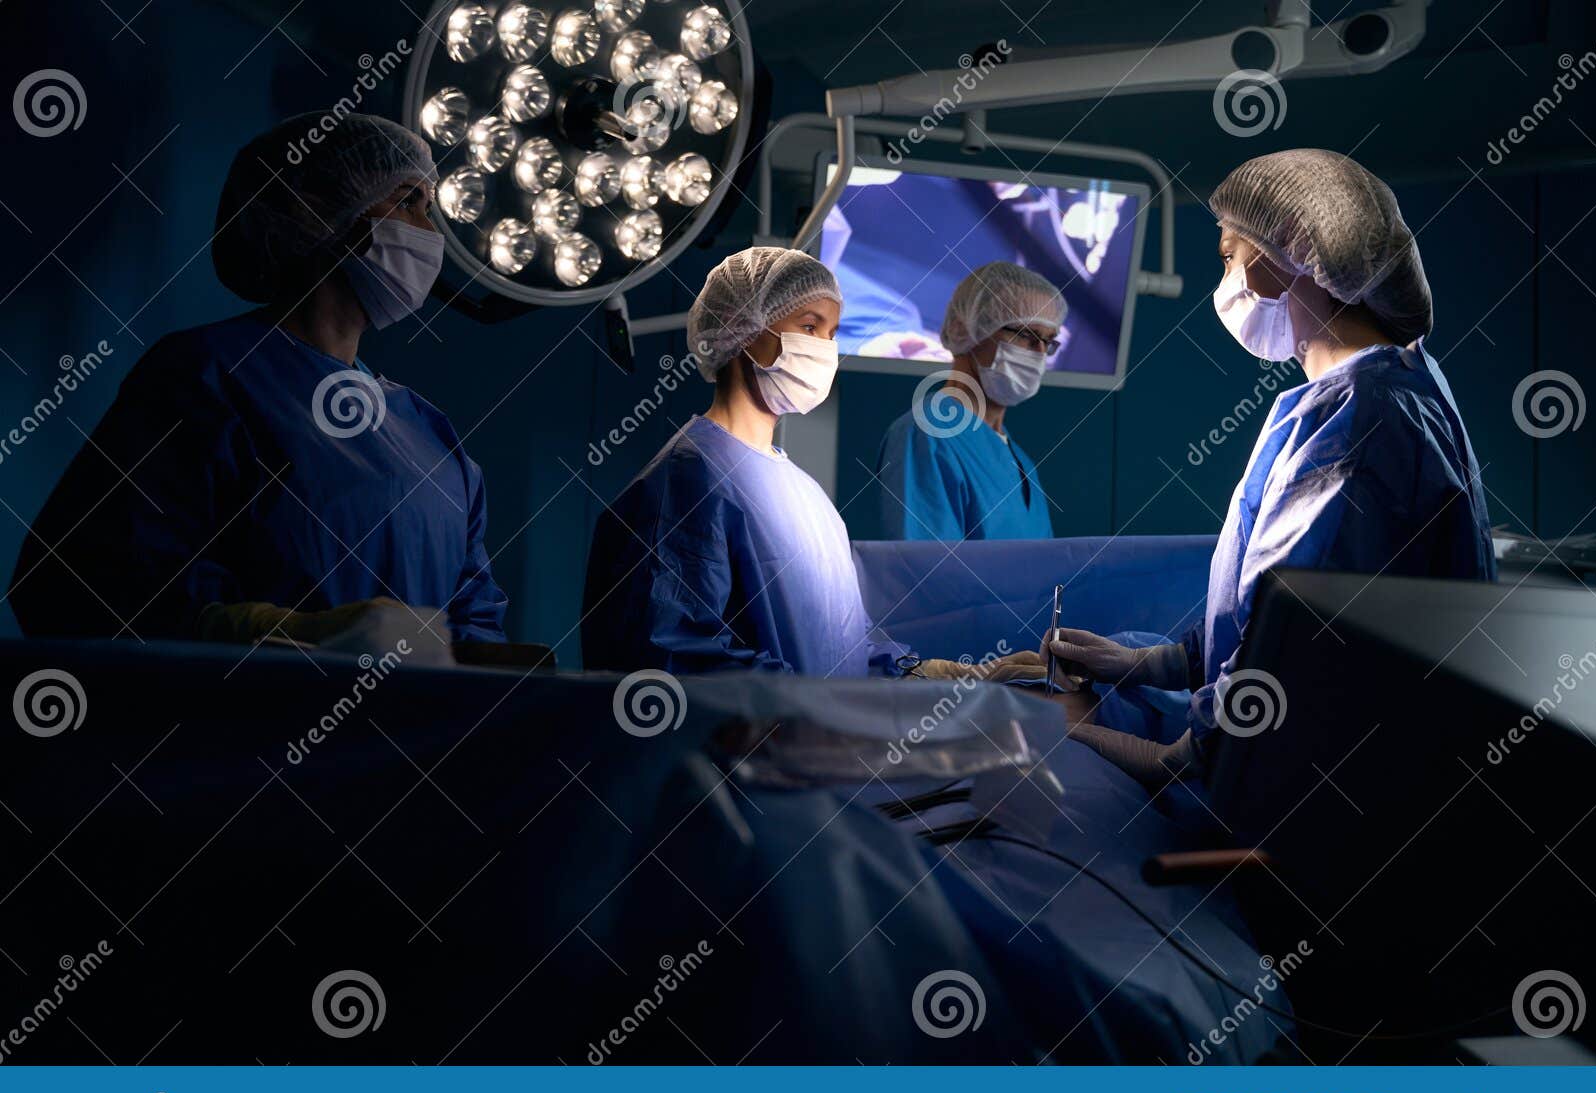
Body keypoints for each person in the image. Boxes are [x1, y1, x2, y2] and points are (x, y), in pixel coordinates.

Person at [1045, 149, 1495, 784]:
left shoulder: (1360, 423)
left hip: (1309, 798)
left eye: (1228, 255)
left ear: (1277, 258)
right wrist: (1155, 664)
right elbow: (1265, 615)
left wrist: (1182, 758)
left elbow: (1296, 637)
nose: (1227, 278)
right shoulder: (1386, 391)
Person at [8, 112, 506, 647]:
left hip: (416, 732)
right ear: (315, 208)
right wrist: (263, 632)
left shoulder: (431, 436)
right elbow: (74, 580)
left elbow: (475, 633)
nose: (428, 234)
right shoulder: (205, 376)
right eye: (407, 200)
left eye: (429, 209)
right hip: (243, 725)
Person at [582, 247, 1034, 681]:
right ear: (740, 326)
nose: (824, 349)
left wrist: (921, 672)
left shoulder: (806, 495)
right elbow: (667, 656)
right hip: (740, 756)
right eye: (810, 326)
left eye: (834, 334)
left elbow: (842, 646)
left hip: (813, 745)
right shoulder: (689, 477)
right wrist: (810, 704)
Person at [875, 263, 1064, 540]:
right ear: (965, 329)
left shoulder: (1022, 463)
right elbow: (925, 570)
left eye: (1048, 341)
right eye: (1026, 334)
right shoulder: (928, 436)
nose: (1039, 353)